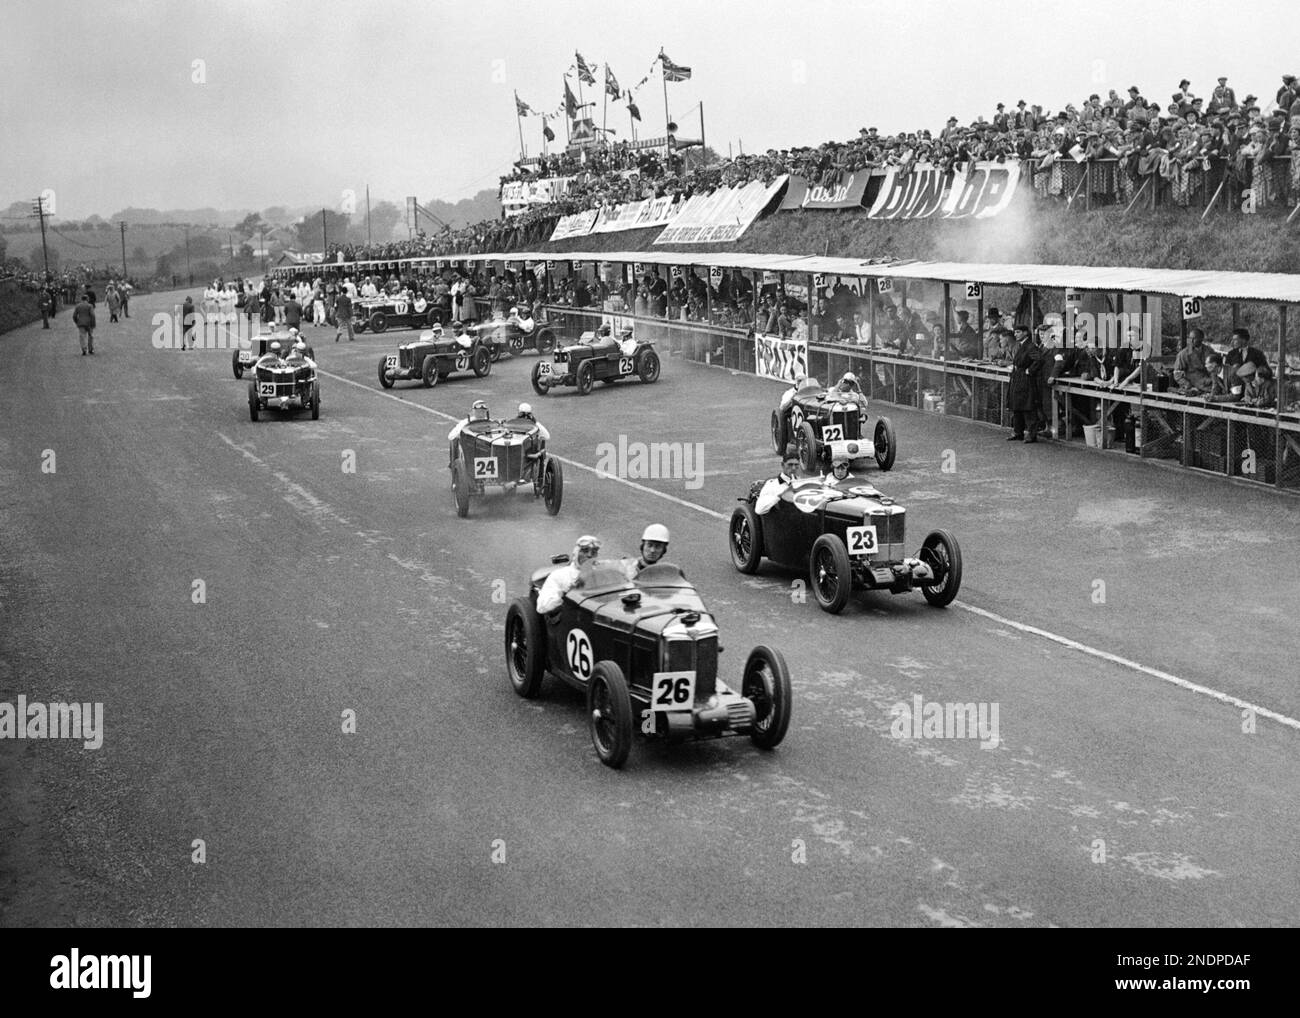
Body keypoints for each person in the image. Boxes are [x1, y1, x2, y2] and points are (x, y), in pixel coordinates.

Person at [536, 535, 602, 614]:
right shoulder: (559, 575)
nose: (589, 555)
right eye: (585, 551)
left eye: (594, 552)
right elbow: (542, 607)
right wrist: (566, 593)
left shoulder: (602, 573)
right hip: (570, 618)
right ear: (577, 553)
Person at [1006, 325, 1041, 442]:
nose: (1015, 334)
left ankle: (1031, 434)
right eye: (1015, 332)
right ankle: (1018, 432)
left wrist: (1030, 370)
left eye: (1018, 332)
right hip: (1017, 377)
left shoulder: (1031, 346)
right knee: (1016, 406)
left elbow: (1039, 359)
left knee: (1028, 407)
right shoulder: (1020, 346)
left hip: (1025, 380)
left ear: (1026, 333)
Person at [756, 445, 803, 514]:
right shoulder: (772, 485)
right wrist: (780, 496)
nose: (793, 468)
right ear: (783, 465)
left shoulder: (802, 483)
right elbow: (759, 510)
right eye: (790, 465)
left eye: (796, 465)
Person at [447, 400, 491, 466]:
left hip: (487, 447)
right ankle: (454, 464)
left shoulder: (492, 423)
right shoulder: (465, 422)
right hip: (470, 448)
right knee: (454, 440)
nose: (481, 412)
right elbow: (451, 436)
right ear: (473, 411)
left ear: (486, 411)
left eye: (483, 410)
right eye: (478, 410)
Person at [1173, 327, 1212, 393]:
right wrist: (1187, 385)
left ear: (1201, 339)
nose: (1191, 341)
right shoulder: (1184, 354)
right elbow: (1177, 374)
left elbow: (1215, 369)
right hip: (1193, 386)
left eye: (1194, 338)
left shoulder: (1209, 351)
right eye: (1190, 338)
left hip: (1209, 384)